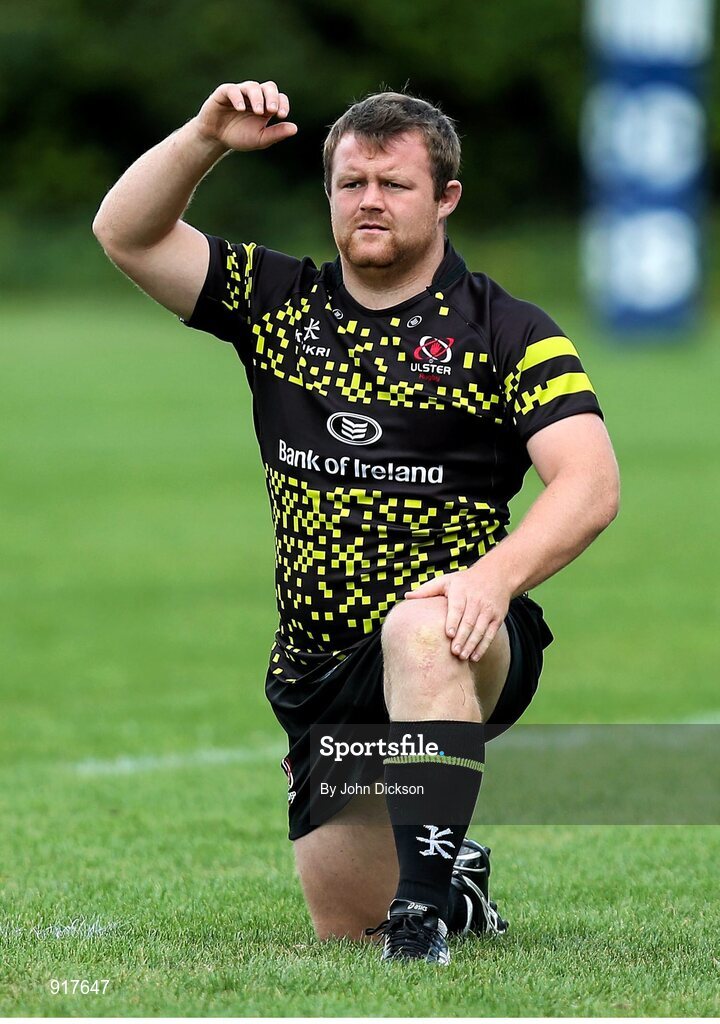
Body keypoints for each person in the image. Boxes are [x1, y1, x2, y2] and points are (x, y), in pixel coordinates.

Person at [92, 80, 620, 965]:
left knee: (418, 629)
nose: (370, 200)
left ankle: (422, 923)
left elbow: (590, 483)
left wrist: (491, 582)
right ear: (330, 194)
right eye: (352, 183)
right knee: (344, 928)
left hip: (464, 634)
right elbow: (127, 235)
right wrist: (205, 137)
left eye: (395, 184)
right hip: (318, 669)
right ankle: (454, 888)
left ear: (445, 198)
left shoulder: (507, 330)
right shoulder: (279, 303)